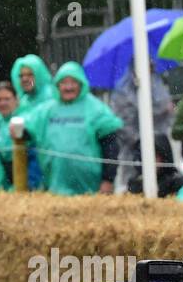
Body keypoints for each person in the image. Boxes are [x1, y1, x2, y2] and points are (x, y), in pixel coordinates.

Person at [27, 62, 123, 196]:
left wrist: (108, 179)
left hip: (92, 189)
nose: (68, 87)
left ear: (81, 84)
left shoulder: (96, 109)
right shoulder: (46, 111)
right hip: (55, 188)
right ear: (57, 85)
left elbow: (110, 147)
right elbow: (25, 130)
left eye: (73, 82)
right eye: (64, 83)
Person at [0, 81, 42, 191]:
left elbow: (34, 145)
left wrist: (30, 184)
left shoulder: (27, 117)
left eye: (7, 99)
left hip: (20, 182)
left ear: (16, 99)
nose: (3, 103)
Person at [110, 63, 174, 174]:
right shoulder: (123, 91)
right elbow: (121, 124)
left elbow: (166, 110)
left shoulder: (157, 85)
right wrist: (140, 142)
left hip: (160, 151)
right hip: (132, 151)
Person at [127, 132, 183, 196]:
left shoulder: (177, 182)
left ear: (163, 157)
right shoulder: (136, 181)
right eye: (145, 157)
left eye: (154, 156)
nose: (149, 161)